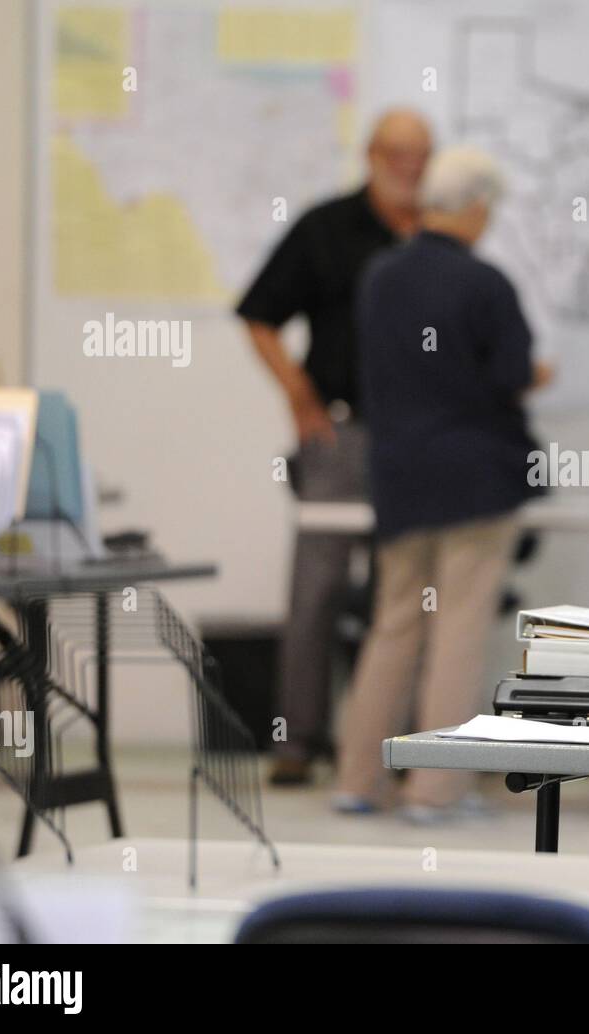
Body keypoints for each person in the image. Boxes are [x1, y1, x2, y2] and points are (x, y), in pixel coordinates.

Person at [333, 146, 552, 821]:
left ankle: (357, 779)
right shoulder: (484, 283)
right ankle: (435, 789)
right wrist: (537, 378)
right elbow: (512, 374)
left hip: (399, 476)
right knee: (457, 629)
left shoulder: (378, 275)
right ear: (477, 204)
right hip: (475, 479)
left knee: (393, 626)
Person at [236, 110, 432, 785]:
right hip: (342, 434)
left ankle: (395, 744)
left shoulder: (438, 235)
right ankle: (298, 740)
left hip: (416, 442)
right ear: (371, 154)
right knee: (315, 589)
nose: (410, 166)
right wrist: (300, 397)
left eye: (422, 155)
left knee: (403, 593)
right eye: (398, 153)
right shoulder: (326, 227)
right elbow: (257, 315)